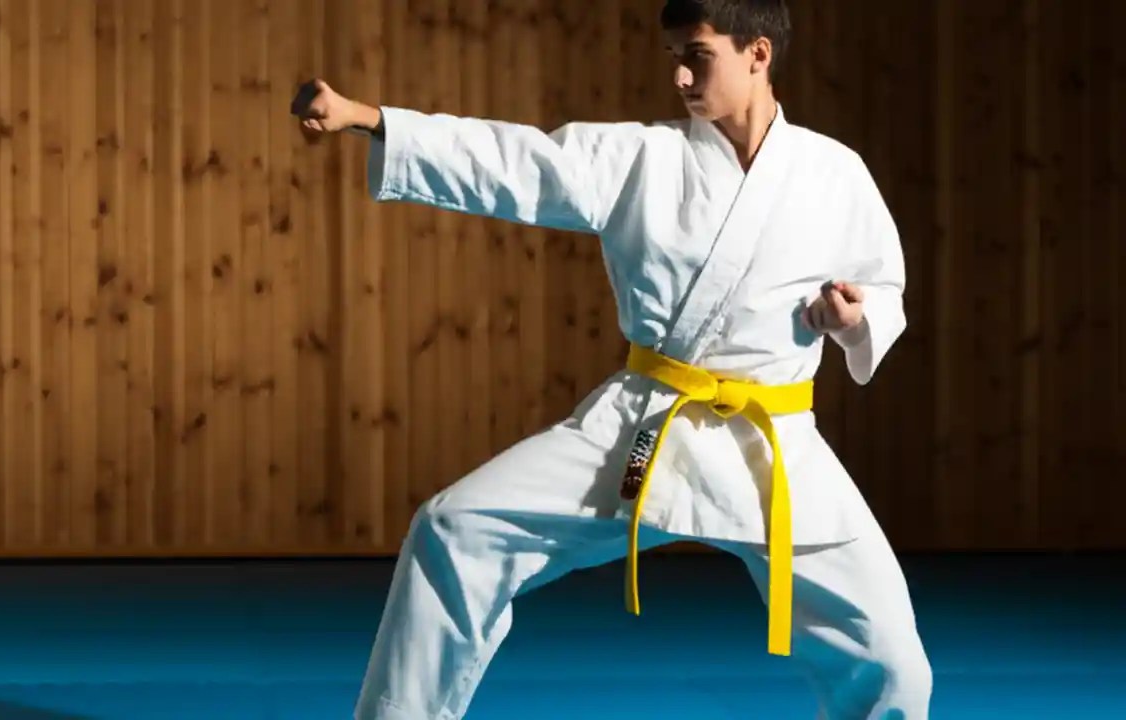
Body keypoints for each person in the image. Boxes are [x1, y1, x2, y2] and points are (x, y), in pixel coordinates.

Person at [290, 0, 933, 717]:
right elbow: (513, 162)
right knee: (453, 530)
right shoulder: (640, 157)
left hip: (775, 447)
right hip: (645, 433)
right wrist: (374, 119)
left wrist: (852, 319)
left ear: (758, 53)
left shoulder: (833, 174)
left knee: (892, 659)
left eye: (699, 54)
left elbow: (882, 290)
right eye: (673, 58)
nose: (682, 75)